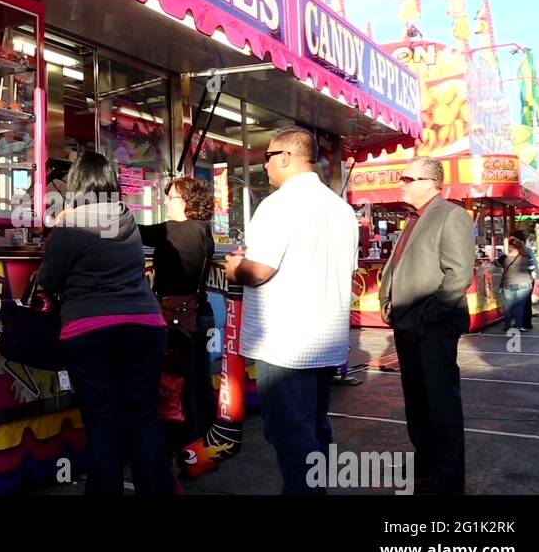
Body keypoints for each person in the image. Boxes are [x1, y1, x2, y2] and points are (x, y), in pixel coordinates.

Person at [223, 127, 358, 495]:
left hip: (287, 343)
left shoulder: (280, 204)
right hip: (326, 340)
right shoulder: (341, 209)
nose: (264, 166)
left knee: (290, 432)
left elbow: (259, 270)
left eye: (266, 158)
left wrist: (235, 267)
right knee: (314, 427)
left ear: (284, 157)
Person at [36, 151, 172, 495]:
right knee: (144, 418)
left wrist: (61, 223)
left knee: (104, 423)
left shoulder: (70, 225)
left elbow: (48, 280)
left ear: (77, 184)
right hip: (146, 326)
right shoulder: (125, 218)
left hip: (91, 330)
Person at [379, 156, 475, 495]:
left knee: (440, 403)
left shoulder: (451, 215)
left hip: (431, 327)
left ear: (431, 183)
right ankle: (426, 462)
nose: (401, 183)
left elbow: (458, 275)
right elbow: (400, 265)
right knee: (417, 400)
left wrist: (425, 318)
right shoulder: (415, 218)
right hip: (409, 325)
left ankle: (448, 478)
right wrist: (388, 302)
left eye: (408, 178)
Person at [139, 178, 216, 458]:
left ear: (185, 202)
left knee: (181, 386)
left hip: (179, 316)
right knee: (198, 382)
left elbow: (133, 231)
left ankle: (190, 452)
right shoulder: (201, 230)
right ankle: (205, 447)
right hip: (198, 311)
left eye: (170, 198)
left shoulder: (177, 231)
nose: (166, 203)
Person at [497, 237, 537, 331]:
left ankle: (507, 325)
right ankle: (519, 326)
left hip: (508, 283)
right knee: (520, 306)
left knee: (509, 306)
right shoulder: (526, 257)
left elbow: (497, 265)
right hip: (524, 283)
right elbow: (532, 269)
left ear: (510, 246)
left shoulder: (504, 258)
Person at [511, 228, 538, 330]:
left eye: (513, 239)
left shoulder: (522, 252)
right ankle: (525, 323)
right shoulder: (526, 251)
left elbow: (532, 266)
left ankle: (523, 323)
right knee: (525, 303)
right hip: (527, 279)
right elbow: (533, 266)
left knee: (522, 303)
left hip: (523, 280)